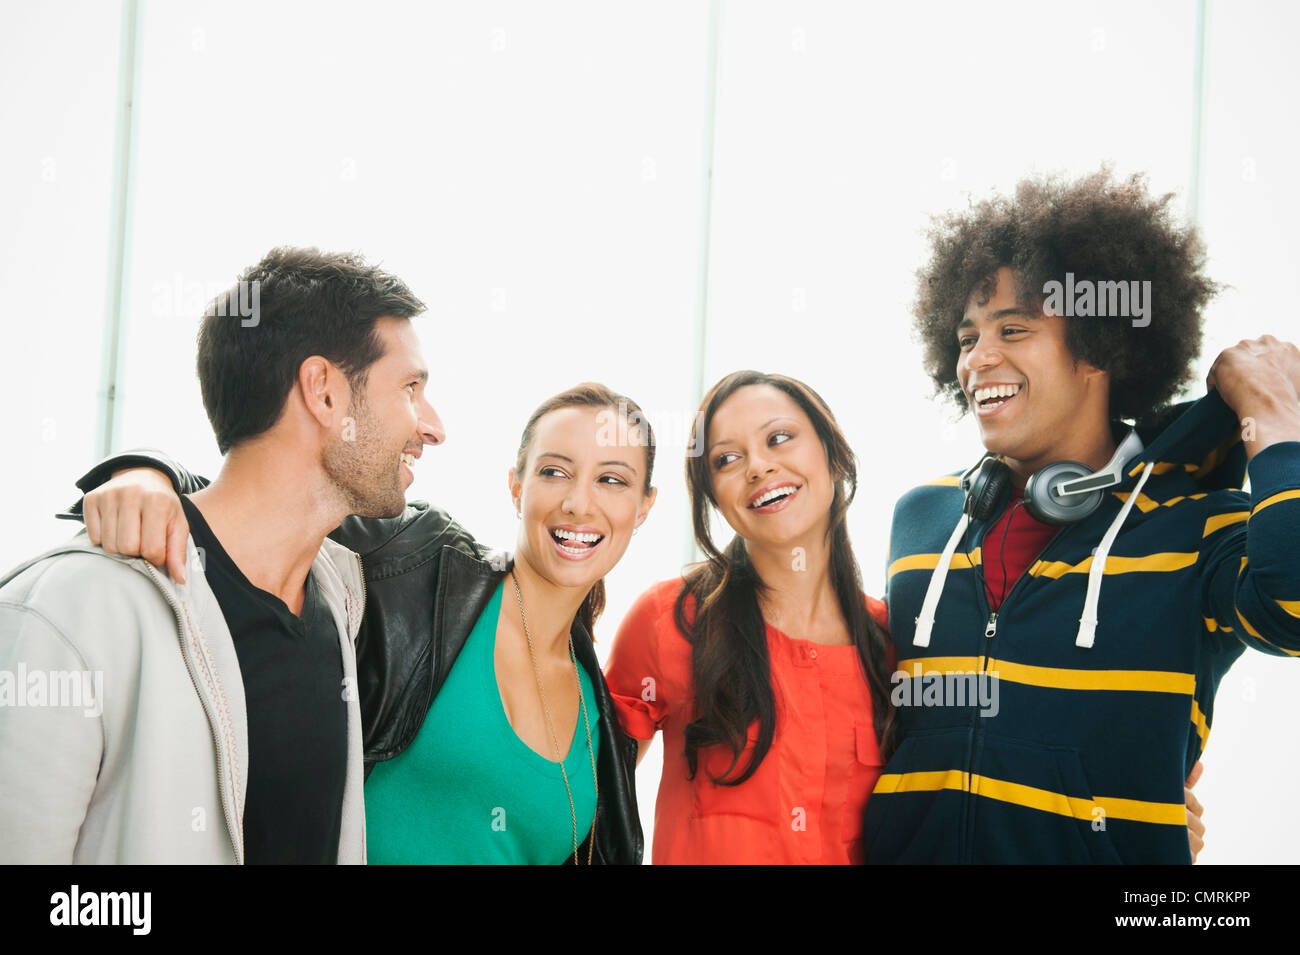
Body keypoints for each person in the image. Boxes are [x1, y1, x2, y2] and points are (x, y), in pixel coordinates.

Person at [866, 168, 1300, 863]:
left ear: (1098, 345)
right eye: (967, 334)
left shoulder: (1198, 523)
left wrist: (1274, 418)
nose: (978, 358)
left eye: (1014, 328)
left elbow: (1293, 609)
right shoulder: (922, 520)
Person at [62, 383, 652, 863]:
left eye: (612, 480)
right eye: (554, 471)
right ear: (516, 486)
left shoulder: (597, 705)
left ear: (644, 507)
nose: (579, 502)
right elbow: (255, 502)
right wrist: (147, 476)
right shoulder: (418, 560)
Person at [0, 246, 431, 863]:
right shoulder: (70, 614)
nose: (433, 425)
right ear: (324, 393)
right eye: (411, 388)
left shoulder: (340, 601)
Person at [604, 370, 895, 864]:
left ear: (833, 452)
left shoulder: (892, 641)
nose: (758, 466)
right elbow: (583, 798)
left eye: (779, 438)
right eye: (727, 460)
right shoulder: (667, 619)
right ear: (713, 495)